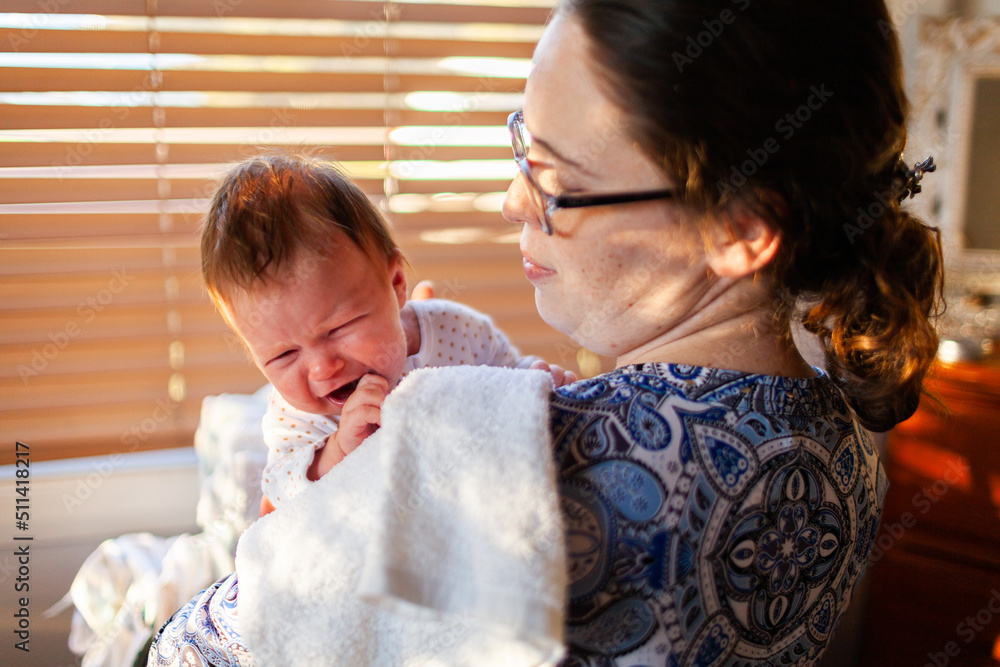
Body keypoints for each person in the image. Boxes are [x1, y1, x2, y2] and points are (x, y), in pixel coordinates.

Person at [148, 0, 944, 664]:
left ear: (739, 230)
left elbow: (206, 645)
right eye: (520, 143)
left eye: (554, 180)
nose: (511, 200)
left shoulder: (514, 462)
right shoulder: (845, 441)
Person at [201, 154, 577, 513]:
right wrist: (337, 450)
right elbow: (282, 492)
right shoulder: (294, 418)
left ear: (395, 282)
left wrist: (536, 380)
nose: (322, 368)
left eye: (338, 328)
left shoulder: (453, 331)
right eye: (283, 356)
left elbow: (506, 373)